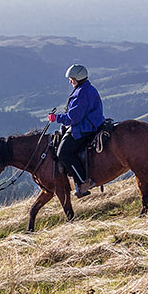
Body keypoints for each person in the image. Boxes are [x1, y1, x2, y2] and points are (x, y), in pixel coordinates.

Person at [47, 64, 104, 198]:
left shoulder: (82, 93)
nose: (70, 81)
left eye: (71, 79)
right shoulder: (86, 89)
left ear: (78, 78)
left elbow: (73, 118)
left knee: (63, 153)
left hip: (85, 128)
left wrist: (56, 118)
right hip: (90, 124)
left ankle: (83, 182)